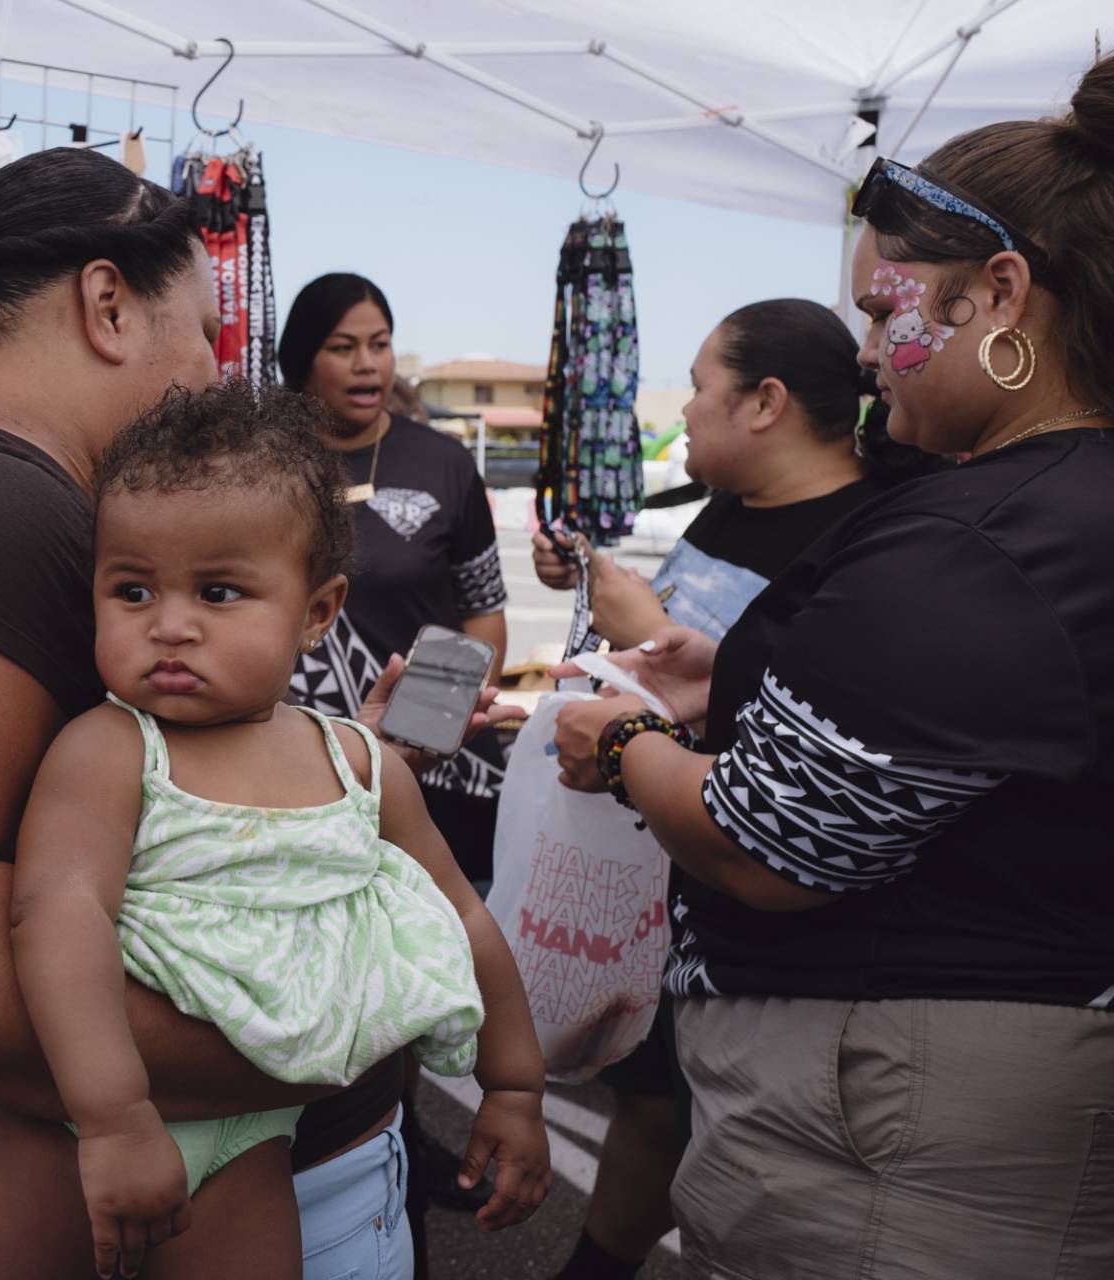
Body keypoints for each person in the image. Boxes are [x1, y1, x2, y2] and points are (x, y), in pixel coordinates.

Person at [0, 149, 521, 1280]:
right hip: (59, 1199)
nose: (215, 374)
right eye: (208, 334)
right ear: (109, 303)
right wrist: (313, 1038)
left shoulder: (5, 491)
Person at [548, 59, 1114, 1278]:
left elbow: (766, 848)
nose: (864, 353)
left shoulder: (987, 534)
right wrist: (738, 674)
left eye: (882, 310)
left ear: (999, 296)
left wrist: (621, 742)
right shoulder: (1047, 505)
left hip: (898, 1127)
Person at [0, 382, 551, 1279]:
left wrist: (514, 1084)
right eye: (133, 589)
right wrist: (113, 1118)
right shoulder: (112, 749)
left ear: (316, 612)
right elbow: (55, 914)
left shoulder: (359, 763)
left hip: (251, 1146)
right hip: (59, 1125)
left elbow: (462, 919)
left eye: (219, 592)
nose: (171, 625)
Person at [528, 299, 913, 1279]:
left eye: (702, 385)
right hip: (662, 868)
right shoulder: (731, 503)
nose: (688, 409)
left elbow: (806, 752)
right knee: (652, 1097)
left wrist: (641, 622)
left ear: (765, 401)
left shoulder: (870, 540)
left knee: (713, 1135)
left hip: (762, 917)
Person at [278, 272, 512, 1270]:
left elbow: (485, 611)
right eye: (344, 344)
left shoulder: (441, 462)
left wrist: (446, 717)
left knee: (408, 963)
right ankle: (336, 1149)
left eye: (381, 341)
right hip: (292, 773)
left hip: (426, 769)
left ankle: (394, 1150)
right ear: (301, 359)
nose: (369, 362)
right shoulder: (261, 460)